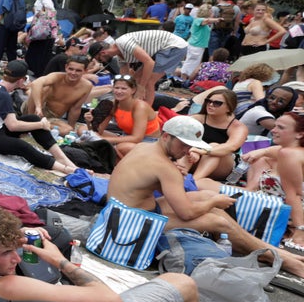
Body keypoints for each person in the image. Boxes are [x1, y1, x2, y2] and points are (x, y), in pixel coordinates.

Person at [107, 116, 304, 277]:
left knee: (204, 195)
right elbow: (186, 213)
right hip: (130, 223)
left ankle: (269, 251)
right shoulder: (165, 167)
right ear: (166, 136)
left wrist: (207, 198)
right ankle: (279, 258)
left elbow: (145, 179)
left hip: (122, 211)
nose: (187, 151)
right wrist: (214, 202)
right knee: (216, 218)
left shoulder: (145, 148)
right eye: (184, 145)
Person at [0, 204, 199, 302]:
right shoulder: (9, 286)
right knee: (182, 282)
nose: (16, 258)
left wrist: (9, 237)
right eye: (7, 253)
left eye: (17, 248)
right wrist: (58, 261)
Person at [0, 60, 78, 173]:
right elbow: (13, 126)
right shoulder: (2, 95)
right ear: (21, 80)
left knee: (33, 118)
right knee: (23, 146)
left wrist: (37, 124)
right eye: (26, 78)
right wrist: (41, 124)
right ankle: (66, 169)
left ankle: (62, 158)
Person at [244, 112, 304, 250]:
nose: (273, 130)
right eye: (275, 125)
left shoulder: (289, 154)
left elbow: (294, 195)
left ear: (299, 134)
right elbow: (273, 151)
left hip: (288, 213)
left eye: (281, 127)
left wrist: (300, 231)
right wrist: (261, 152)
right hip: (276, 207)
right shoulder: (288, 151)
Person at [95, 74, 161, 159]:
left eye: (123, 88)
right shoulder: (113, 104)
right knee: (83, 130)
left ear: (133, 90)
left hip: (147, 141)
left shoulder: (140, 107)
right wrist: (90, 121)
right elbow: (99, 130)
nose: (119, 91)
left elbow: (137, 138)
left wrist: (104, 139)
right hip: (126, 136)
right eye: (117, 88)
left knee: (122, 147)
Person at [188, 88, 247, 181]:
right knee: (185, 145)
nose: (210, 105)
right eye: (208, 101)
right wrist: (193, 151)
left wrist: (203, 151)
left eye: (217, 103)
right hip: (193, 159)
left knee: (214, 146)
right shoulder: (196, 119)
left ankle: (193, 181)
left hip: (221, 166)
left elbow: (231, 147)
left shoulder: (237, 127)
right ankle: (181, 172)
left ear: (229, 107)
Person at [26, 55, 94, 135]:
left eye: (78, 70)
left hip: (52, 118)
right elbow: (35, 83)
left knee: (67, 130)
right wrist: (38, 107)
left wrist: (71, 127)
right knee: (44, 88)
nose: (73, 73)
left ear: (85, 71)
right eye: (71, 69)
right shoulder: (56, 76)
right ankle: (30, 120)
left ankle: (38, 125)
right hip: (35, 109)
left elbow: (75, 109)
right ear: (66, 67)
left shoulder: (87, 86)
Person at [23, 0, 60, 77]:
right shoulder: (54, 0)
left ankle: (30, 71)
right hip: (51, 31)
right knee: (45, 54)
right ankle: (40, 73)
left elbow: (38, 14)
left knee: (34, 52)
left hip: (40, 32)